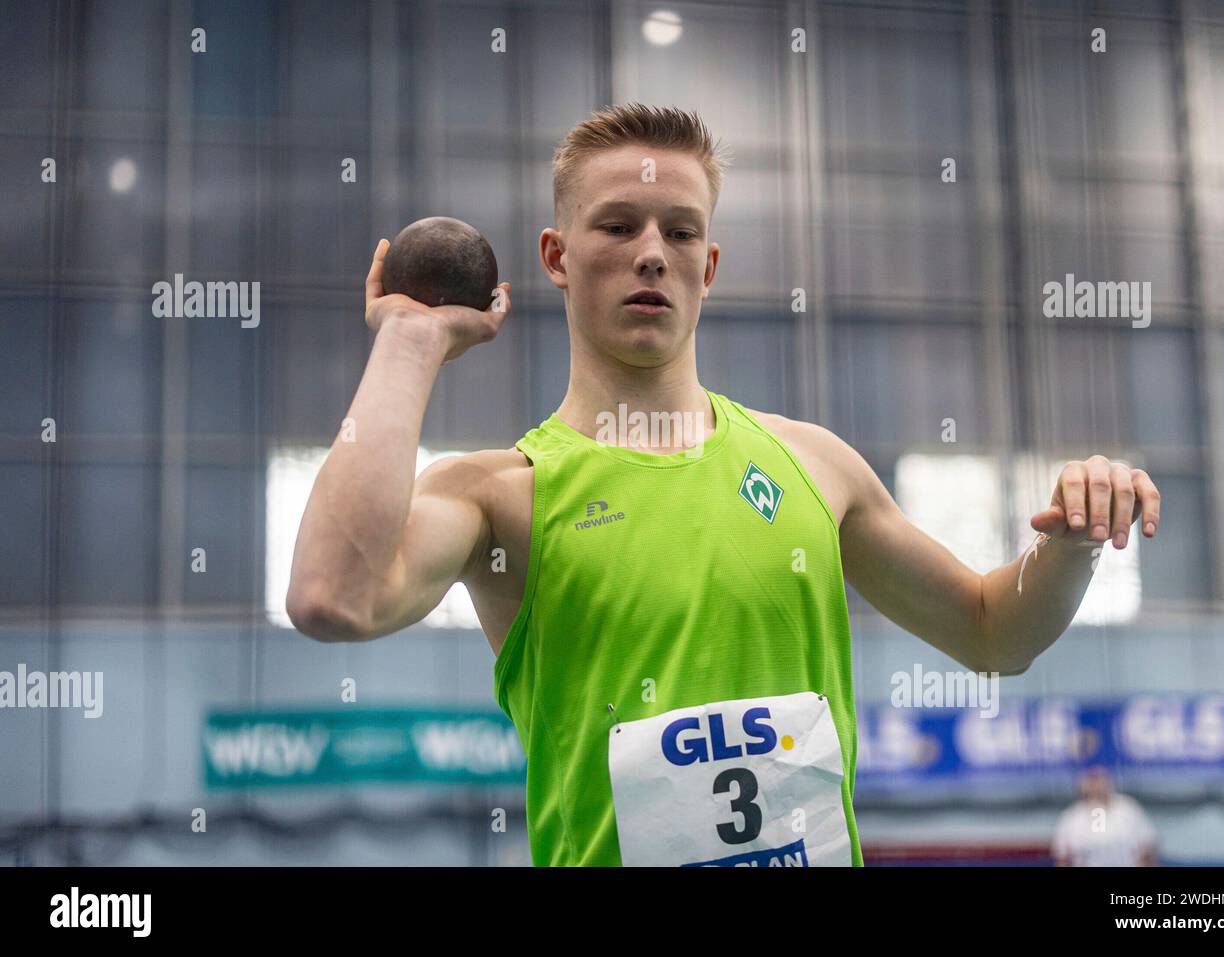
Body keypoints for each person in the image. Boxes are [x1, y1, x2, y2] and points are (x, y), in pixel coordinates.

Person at [286, 103, 1162, 867]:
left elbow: (991, 630)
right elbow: (333, 596)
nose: (652, 254)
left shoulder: (812, 464)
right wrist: (409, 340)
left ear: (708, 265)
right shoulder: (501, 496)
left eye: (680, 230)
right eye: (618, 225)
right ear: (555, 256)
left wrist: (1070, 544)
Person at [1052, 766, 1159, 866]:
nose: (1097, 785)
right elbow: (1063, 858)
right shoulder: (1071, 817)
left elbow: (1148, 849)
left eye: (1099, 779)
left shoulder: (1129, 808)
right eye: (1092, 780)